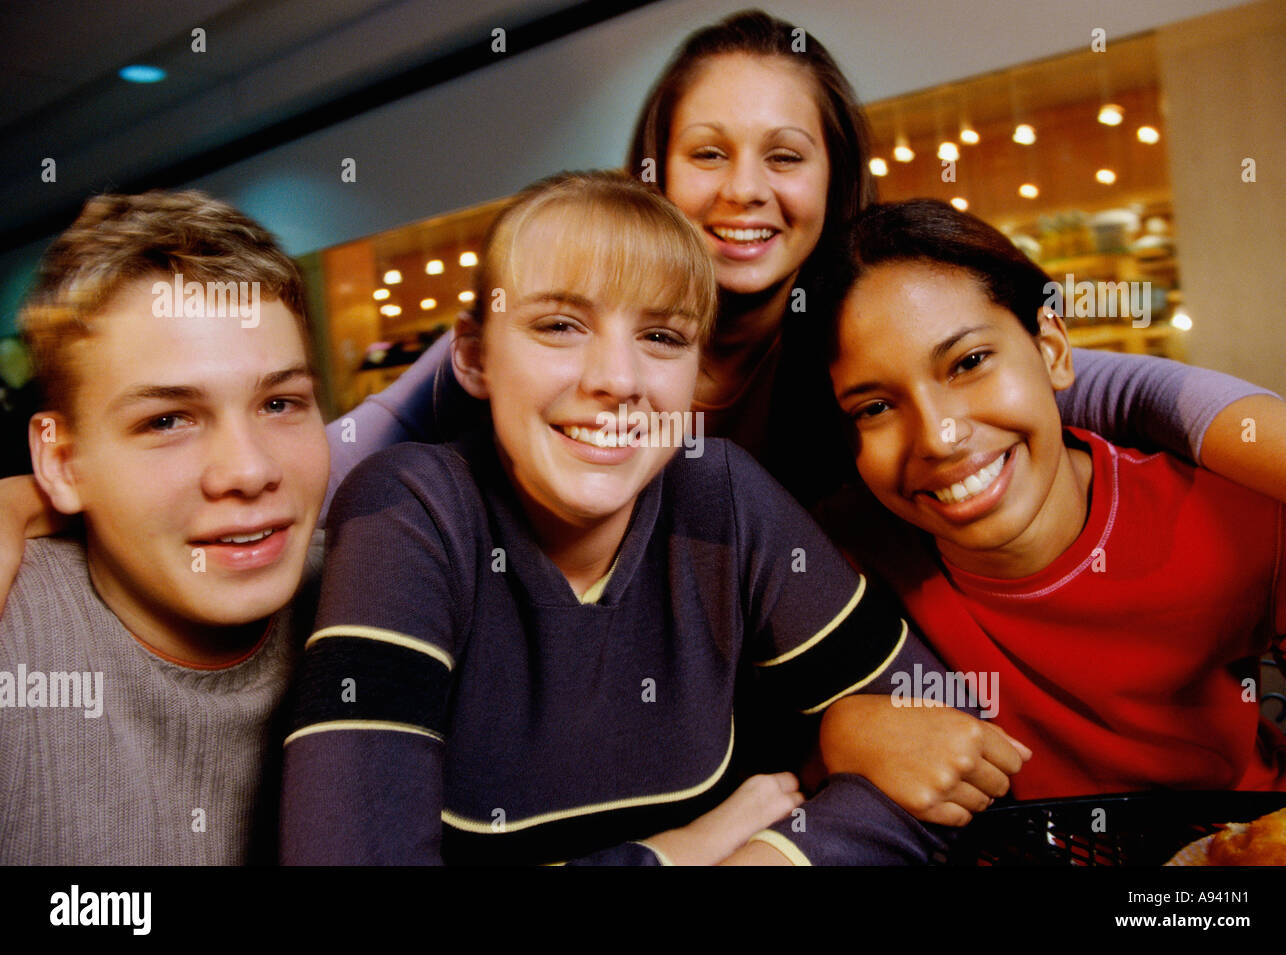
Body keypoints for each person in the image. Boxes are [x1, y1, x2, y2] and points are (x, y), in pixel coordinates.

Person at [315, 8, 1286, 522]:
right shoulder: (551, 335)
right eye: (708, 153)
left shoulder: (853, 329)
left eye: (784, 156)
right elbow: (331, 463)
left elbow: (1138, 393)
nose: (745, 190)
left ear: (835, 181)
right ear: (653, 170)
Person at [279, 171, 973, 866]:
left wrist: (767, 857)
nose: (616, 378)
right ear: (474, 354)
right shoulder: (411, 510)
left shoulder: (719, 494)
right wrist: (672, 853)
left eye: (663, 337)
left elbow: (946, 745)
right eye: (559, 325)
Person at [818, 199, 1286, 805]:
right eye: (876, 407)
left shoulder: (1234, 512)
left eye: (968, 363)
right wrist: (836, 735)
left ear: (1052, 350)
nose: (940, 438)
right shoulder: (841, 564)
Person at [0, 191, 330, 864]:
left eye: (280, 402)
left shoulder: (381, 595)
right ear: (62, 463)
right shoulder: (17, 637)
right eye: (167, 420)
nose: (248, 469)